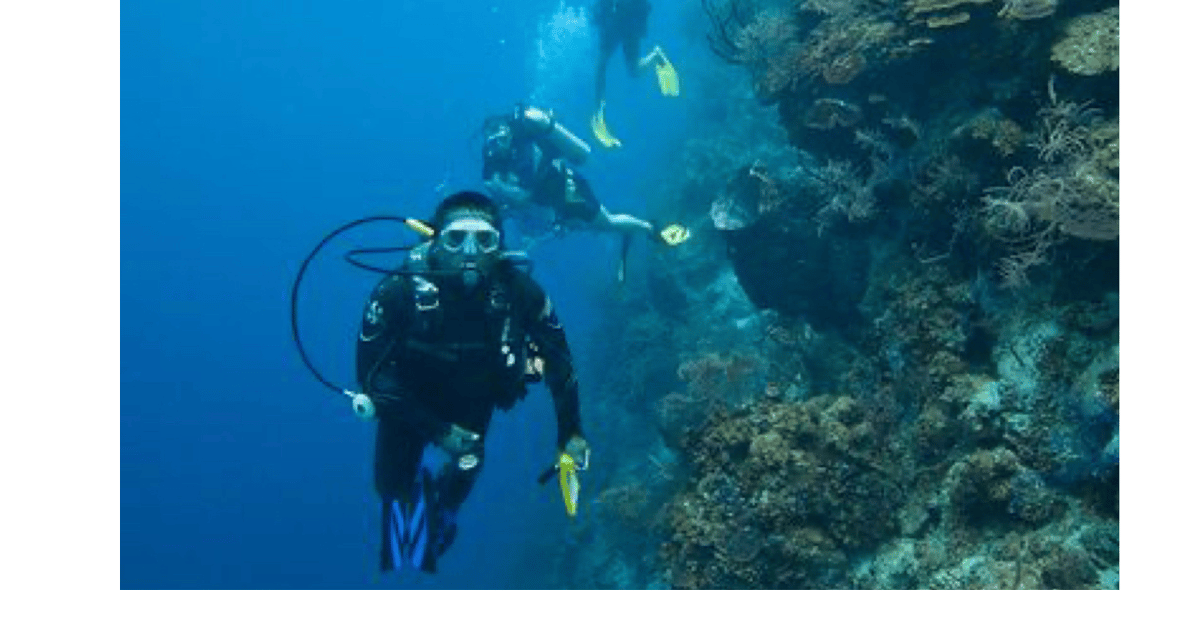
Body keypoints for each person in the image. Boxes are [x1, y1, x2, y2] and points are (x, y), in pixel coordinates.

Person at [355, 191, 591, 573]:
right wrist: (438, 430)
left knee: (467, 464)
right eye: (455, 238)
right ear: (435, 240)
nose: (470, 252)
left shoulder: (521, 292)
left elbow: (560, 363)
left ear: (499, 246)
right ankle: (410, 501)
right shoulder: (397, 291)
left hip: (474, 395)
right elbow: (370, 376)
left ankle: (443, 510)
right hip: (406, 401)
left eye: (484, 240)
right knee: (391, 489)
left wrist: (571, 433)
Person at [482, 104, 690, 281]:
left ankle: (651, 229)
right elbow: (510, 202)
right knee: (579, 226)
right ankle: (575, 225)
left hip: (569, 191)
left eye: (500, 137)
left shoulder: (526, 146)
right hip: (550, 203)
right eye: (492, 141)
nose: (497, 144)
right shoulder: (494, 164)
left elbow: (524, 196)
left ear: (508, 131)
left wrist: (503, 190)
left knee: (607, 223)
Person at [589, 0, 679, 148]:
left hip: (629, 19)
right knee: (603, 66)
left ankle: (656, 55)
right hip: (614, 18)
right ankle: (599, 112)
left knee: (633, 70)